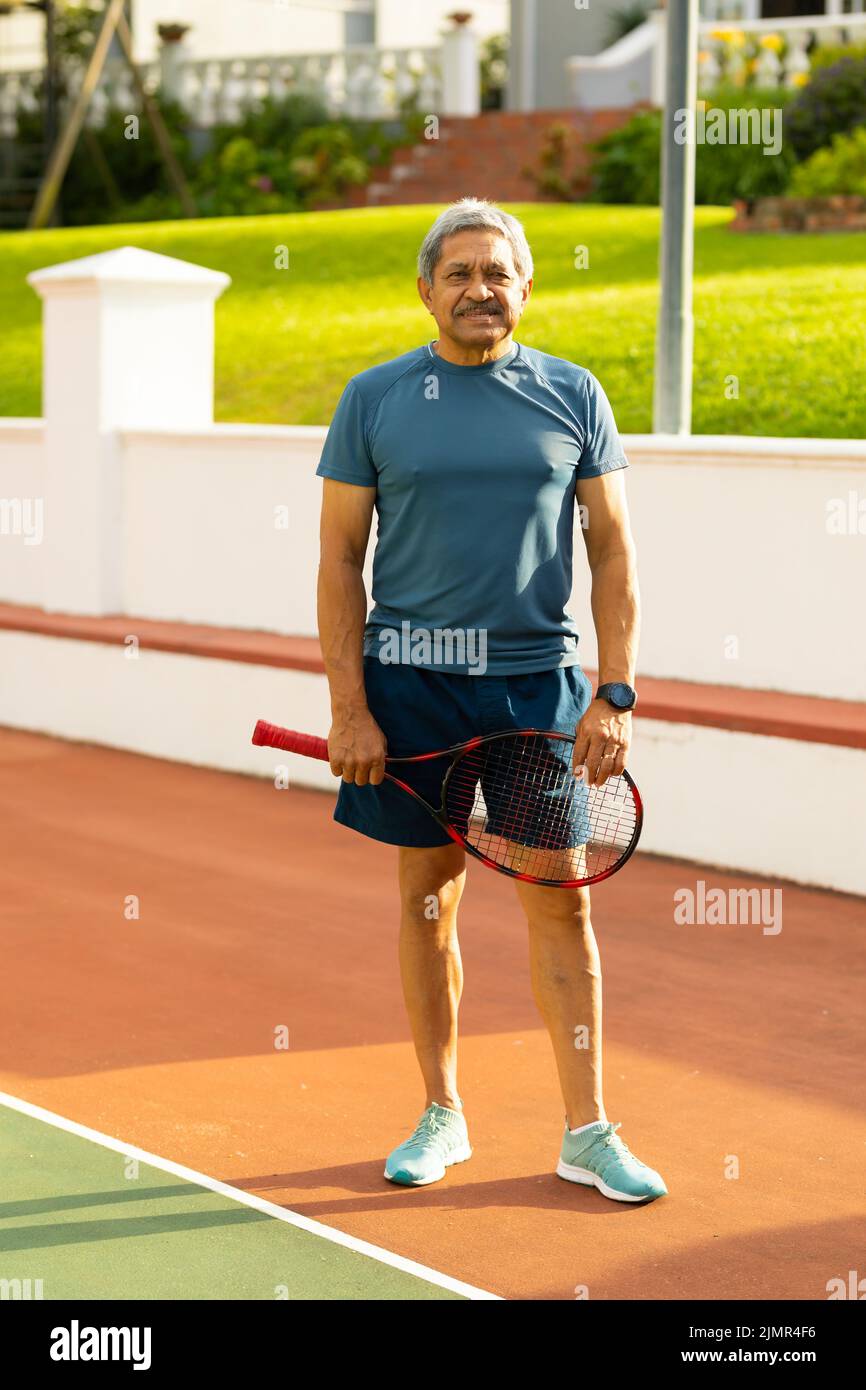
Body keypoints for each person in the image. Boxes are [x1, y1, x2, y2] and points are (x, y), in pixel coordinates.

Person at [315, 197, 667, 1203]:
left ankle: (586, 1132)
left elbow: (612, 551)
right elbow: (340, 560)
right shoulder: (374, 398)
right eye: (458, 272)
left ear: (525, 286)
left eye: (497, 272)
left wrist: (614, 690)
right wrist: (350, 706)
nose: (480, 288)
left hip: (533, 691)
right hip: (410, 683)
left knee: (557, 903)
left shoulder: (572, 393)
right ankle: (441, 1112)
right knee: (428, 904)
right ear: (425, 289)